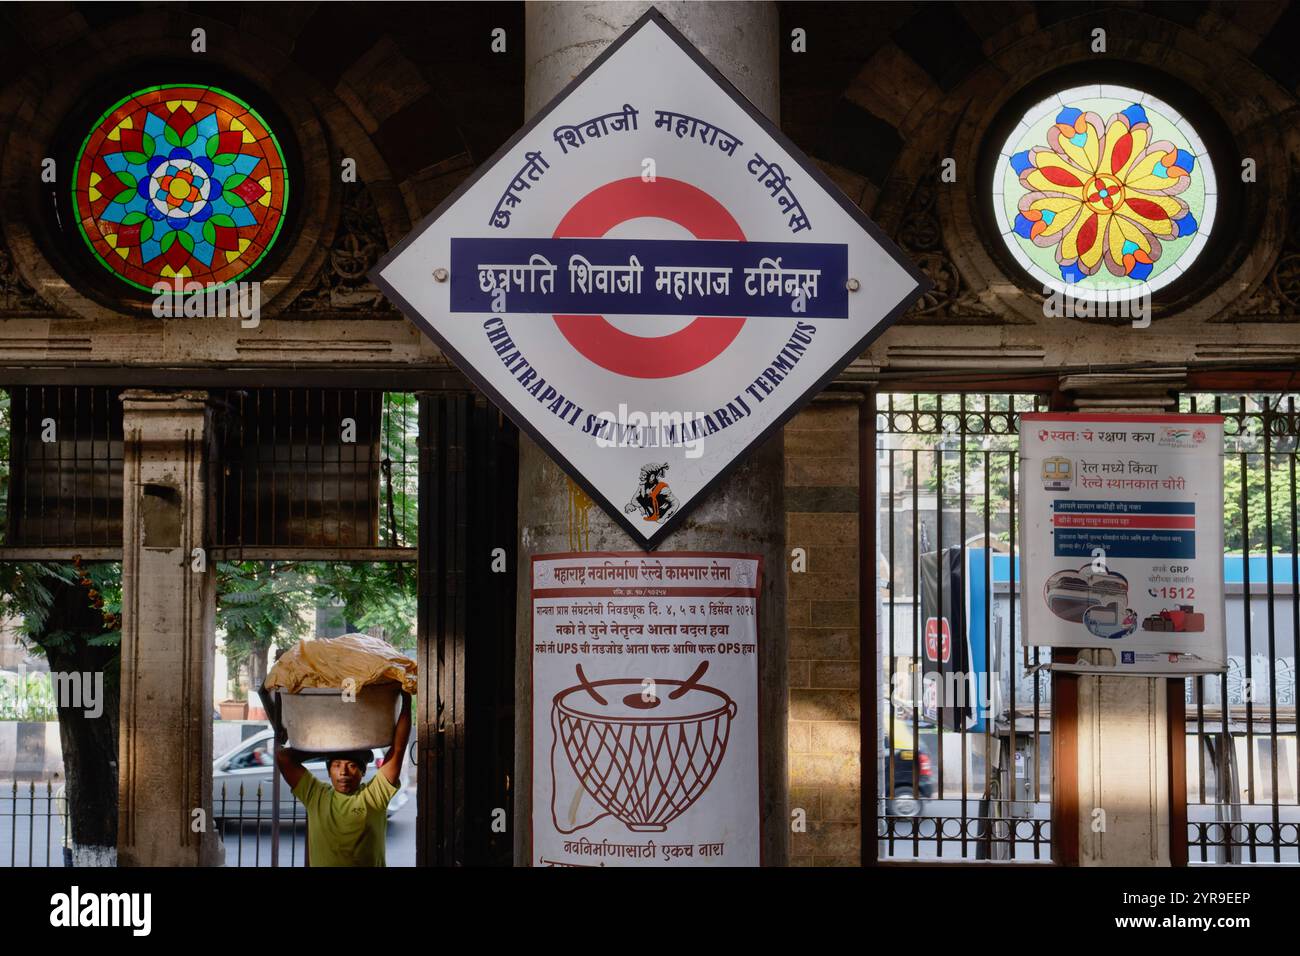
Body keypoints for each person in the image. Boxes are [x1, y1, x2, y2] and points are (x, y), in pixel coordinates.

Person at [275, 690, 411, 867]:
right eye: (336, 765)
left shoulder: (374, 796)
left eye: (352, 765)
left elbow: (398, 749)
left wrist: (406, 702)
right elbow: (283, 758)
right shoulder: (315, 795)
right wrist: (327, 745)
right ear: (329, 770)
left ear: (362, 772)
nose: (343, 772)